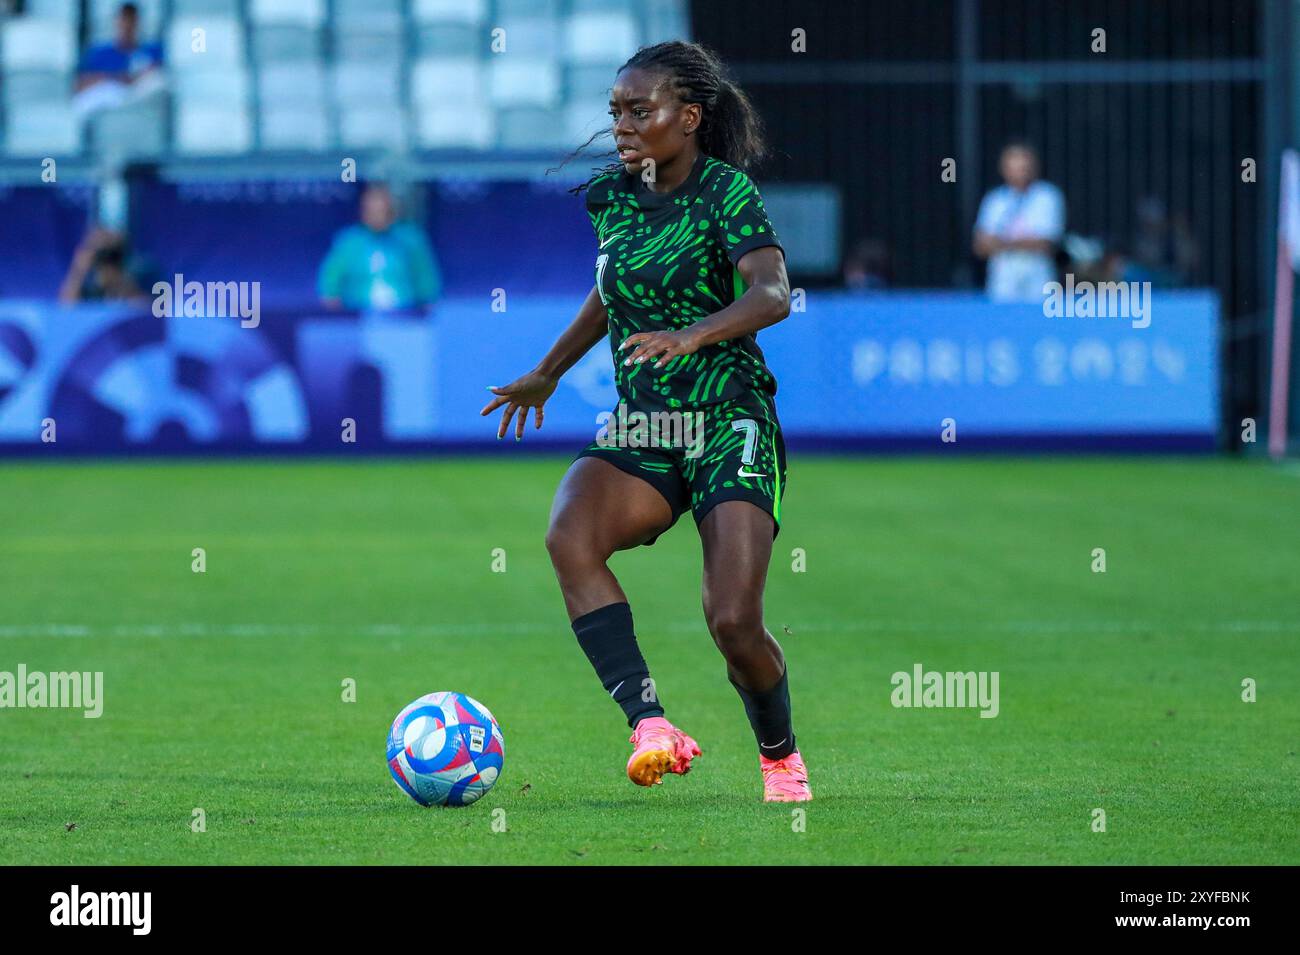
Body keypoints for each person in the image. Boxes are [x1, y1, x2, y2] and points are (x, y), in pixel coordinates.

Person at [480, 41, 810, 803]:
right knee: (570, 534)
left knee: (732, 622)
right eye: (616, 113)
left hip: (729, 416)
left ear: (688, 117)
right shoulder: (614, 197)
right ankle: (650, 723)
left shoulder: (726, 193)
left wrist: (692, 333)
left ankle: (779, 752)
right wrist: (548, 371)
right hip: (649, 421)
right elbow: (610, 292)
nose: (623, 126)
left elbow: (771, 294)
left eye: (640, 111)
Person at [318, 183, 442, 311]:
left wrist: (428, 304)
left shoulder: (410, 239)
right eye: (372, 211)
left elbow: (426, 277)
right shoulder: (349, 240)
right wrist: (333, 305)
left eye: (382, 211)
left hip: (404, 314)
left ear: (392, 212)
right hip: (358, 314)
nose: (377, 216)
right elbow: (330, 277)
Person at [973, 141, 1065, 301]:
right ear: (1004, 169)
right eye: (1014, 168)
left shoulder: (1047, 197)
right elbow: (980, 246)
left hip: (1037, 274)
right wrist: (1022, 242)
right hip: (1003, 276)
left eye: (1024, 168)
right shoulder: (995, 200)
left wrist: (1001, 242)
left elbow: (1045, 243)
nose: (1020, 174)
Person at [73, 3, 165, 117]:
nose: (127, 27)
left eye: (131, 22)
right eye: (123, 21)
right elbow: (80, 85)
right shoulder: (99, 53)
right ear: (116, 22)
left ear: (138, 23)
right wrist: (118, 79)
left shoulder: (153, 51)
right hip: (106, 110)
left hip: (141, 110)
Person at [58, 227, 156, 304]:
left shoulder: (134, 292)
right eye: (97, 265)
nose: (100, 274)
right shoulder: (92, 295)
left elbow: (144, 308)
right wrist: (79, 270)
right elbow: (65, 307)